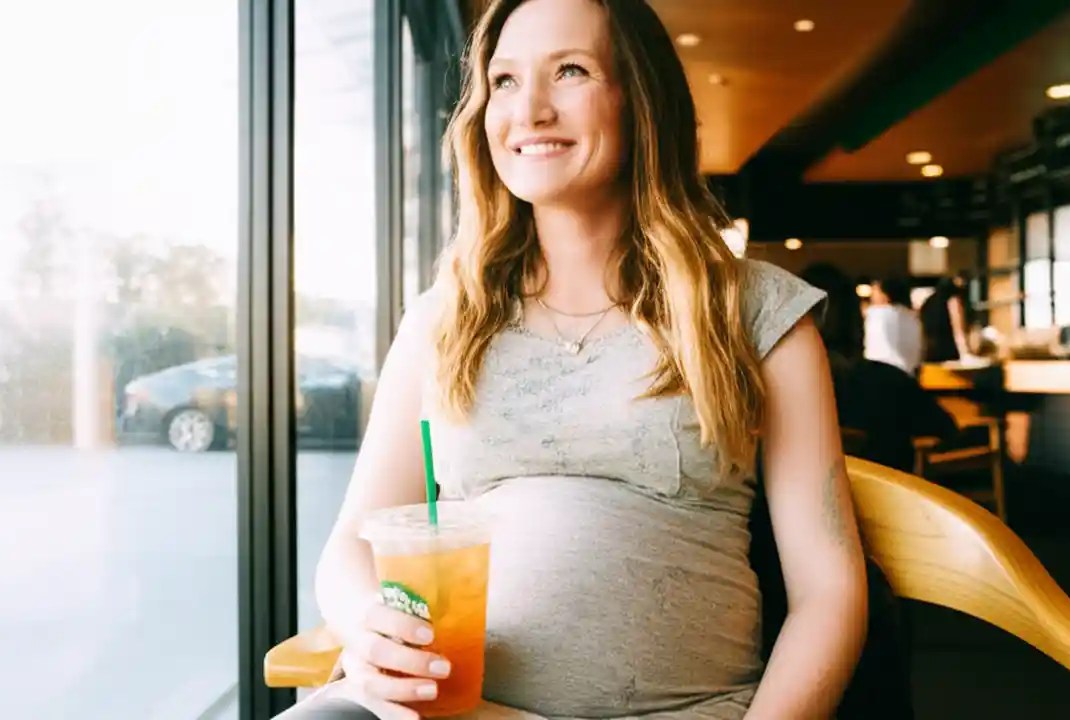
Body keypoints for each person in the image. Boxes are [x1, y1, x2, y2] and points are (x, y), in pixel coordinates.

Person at [285, 1, 868, 718]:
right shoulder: (446, 315)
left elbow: (829, 593)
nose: (528, 109)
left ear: (639, 100)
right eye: (503, 81)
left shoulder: (753, 310)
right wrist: (365, 625)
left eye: (570, 71)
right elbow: (353, 545)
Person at [801, 264, 958, 473]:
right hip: (889, 503)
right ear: (856, 320)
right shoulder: (891, 382)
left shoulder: (767, 393)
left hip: (795, 505)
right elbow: (946, 429)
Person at [863, 275, 922, 375]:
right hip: (908, 374)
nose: (871, 296)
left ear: (885, 294)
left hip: (879, 374)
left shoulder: (876, 314)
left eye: (875, 291)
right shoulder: (913, 318)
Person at [919, 275, 973, 363]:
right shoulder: (953, 301)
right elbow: (958, 331)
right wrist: (965, 354)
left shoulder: (928, 303)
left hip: (930, 357)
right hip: (950, 356)